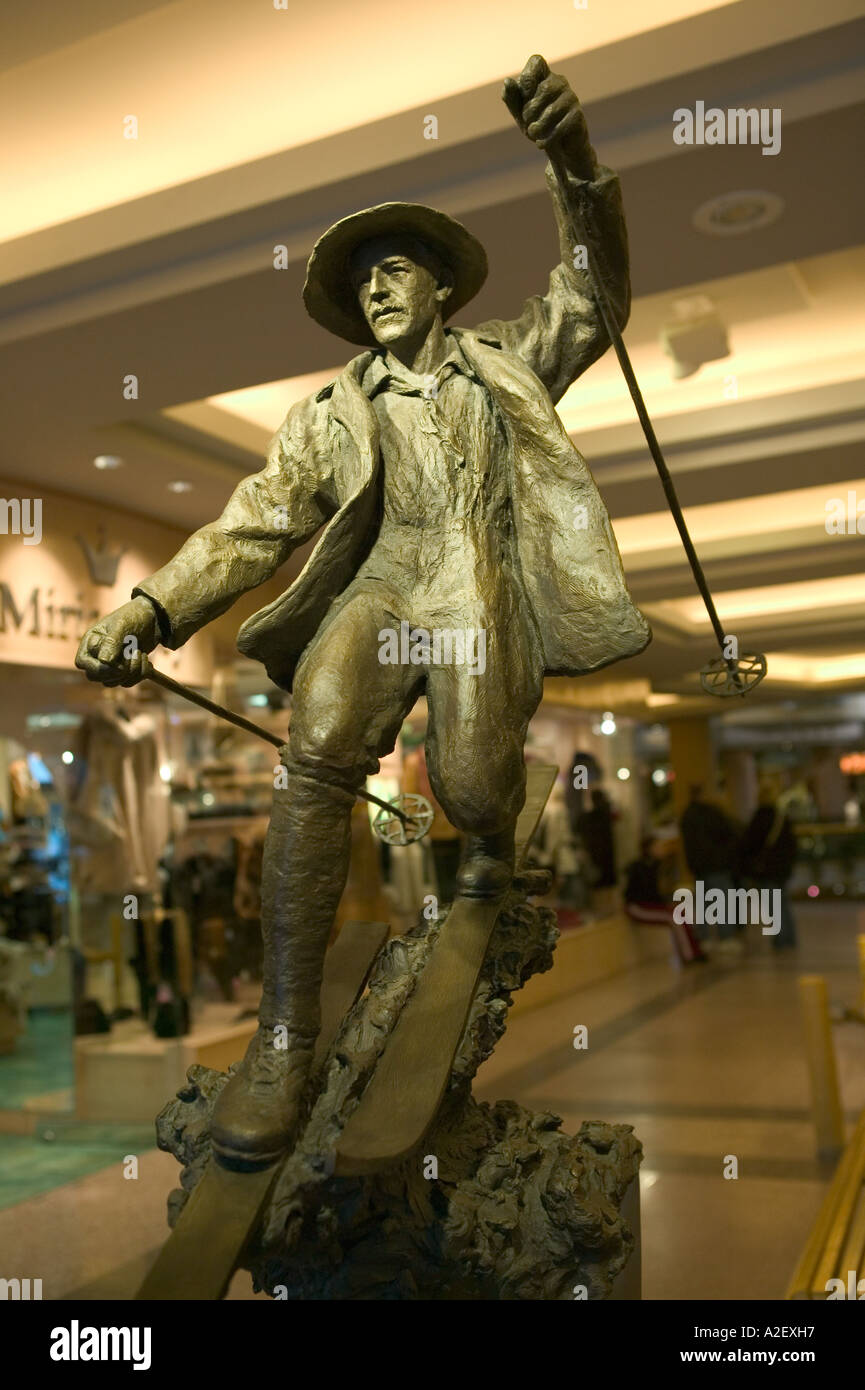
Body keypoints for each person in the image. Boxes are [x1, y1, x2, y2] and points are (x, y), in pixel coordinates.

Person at [75, 55, 650, 1168]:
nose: (381, 289)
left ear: (443, 288)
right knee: (317, 746)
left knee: (476, 789)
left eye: (398, 271)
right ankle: (285, 1040)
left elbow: (597, 296)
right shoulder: (327, 417)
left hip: (474, 579)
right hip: (386, 584)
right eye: (366, 281)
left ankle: (486, 846)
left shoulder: (505, 364)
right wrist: (148, 607)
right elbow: (250, 523)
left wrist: (574, 162)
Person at [624, 837, 707, 964]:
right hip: (638, 907)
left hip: (651, 904)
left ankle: (695, 950)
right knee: (674, 918)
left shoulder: (657, 866)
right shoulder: (640, 868)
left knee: (683, 914)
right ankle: (689, 955)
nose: (662, 850)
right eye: (658, 847)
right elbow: (643, 893)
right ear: (650, 849)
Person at [679, 784, 740, 951]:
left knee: (703, 903)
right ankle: (726, 937)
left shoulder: (688, 815)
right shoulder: (714, 814)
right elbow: (729, 837)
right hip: (717, 865)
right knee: (722, 902)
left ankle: (703, 938)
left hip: (699, 867)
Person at [740, 780, 798, 950]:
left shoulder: (758, 819)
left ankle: (781, 940)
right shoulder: (781, 819)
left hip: (766, 870)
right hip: (781, 870)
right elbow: (791, 846)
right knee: (783, 904)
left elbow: (749, 845)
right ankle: (789, 938)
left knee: (773, 906)